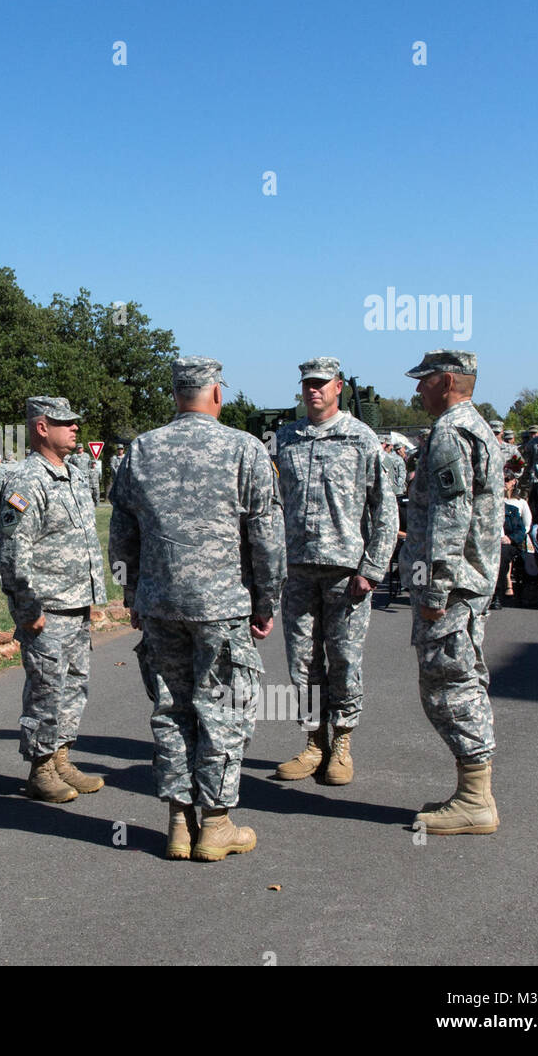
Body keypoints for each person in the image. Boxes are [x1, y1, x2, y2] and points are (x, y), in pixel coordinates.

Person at [109, 358, 285, 861]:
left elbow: (122, 536)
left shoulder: (140, 449)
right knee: (223, 710)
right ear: (217, 395)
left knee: (172, 711)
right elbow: (267, 539)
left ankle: (178, 825)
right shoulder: (244, 449)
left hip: (161, 606)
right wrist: (266, 601)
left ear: (176, 395)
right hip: (223, 605)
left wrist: (132, 594)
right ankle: (216, 824)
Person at [273, 357, 397, 786]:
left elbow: (384, 506)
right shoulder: (286, 439)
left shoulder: (360, 438)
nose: (314, 390)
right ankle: (313, 742)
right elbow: (271, 505)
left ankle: (342, 743)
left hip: (347, 571)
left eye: (322, 384)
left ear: (338, 386)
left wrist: (374, 567)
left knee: (344, 659)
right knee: (302, 662)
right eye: (307, 383)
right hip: (297, 569)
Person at [400, 350, 501, 835]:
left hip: (451, 586)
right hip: (466, 582)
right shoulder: (473, 427)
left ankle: (475, 800)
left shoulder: (450, 432)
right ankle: (472, 792)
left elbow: (450, 516)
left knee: (450, 686)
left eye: (423, 382)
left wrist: (434, 588)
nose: (417, 390)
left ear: (446, 381)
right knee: (459, 679)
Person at [0, 396, 107, 804]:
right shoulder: (25, 481)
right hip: (46, 608)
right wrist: (27, 610)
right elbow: (12, 553)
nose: (75, 428)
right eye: (65, 423)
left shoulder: (74, 475)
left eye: (76, 422)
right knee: (45, 689)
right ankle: (40, 768)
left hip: (76, 604)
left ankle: (61, 757)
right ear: (42, 428)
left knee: (74, 687)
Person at [492, 472, 526, 610]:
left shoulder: (512, 510)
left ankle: (496, 595)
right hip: (488, 543)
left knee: (502, 555)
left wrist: (510, 538)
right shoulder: (484, 511)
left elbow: (520, 531)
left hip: (506, 543)